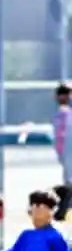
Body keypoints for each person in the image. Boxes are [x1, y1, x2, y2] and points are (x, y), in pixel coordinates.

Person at [52, 83, 72, 217]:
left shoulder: (63, 114)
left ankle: (64, 207)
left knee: (68, 179)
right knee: (68, 179)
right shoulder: (64, 114)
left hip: (66, 150)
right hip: (66, 150)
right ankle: (65, 205)